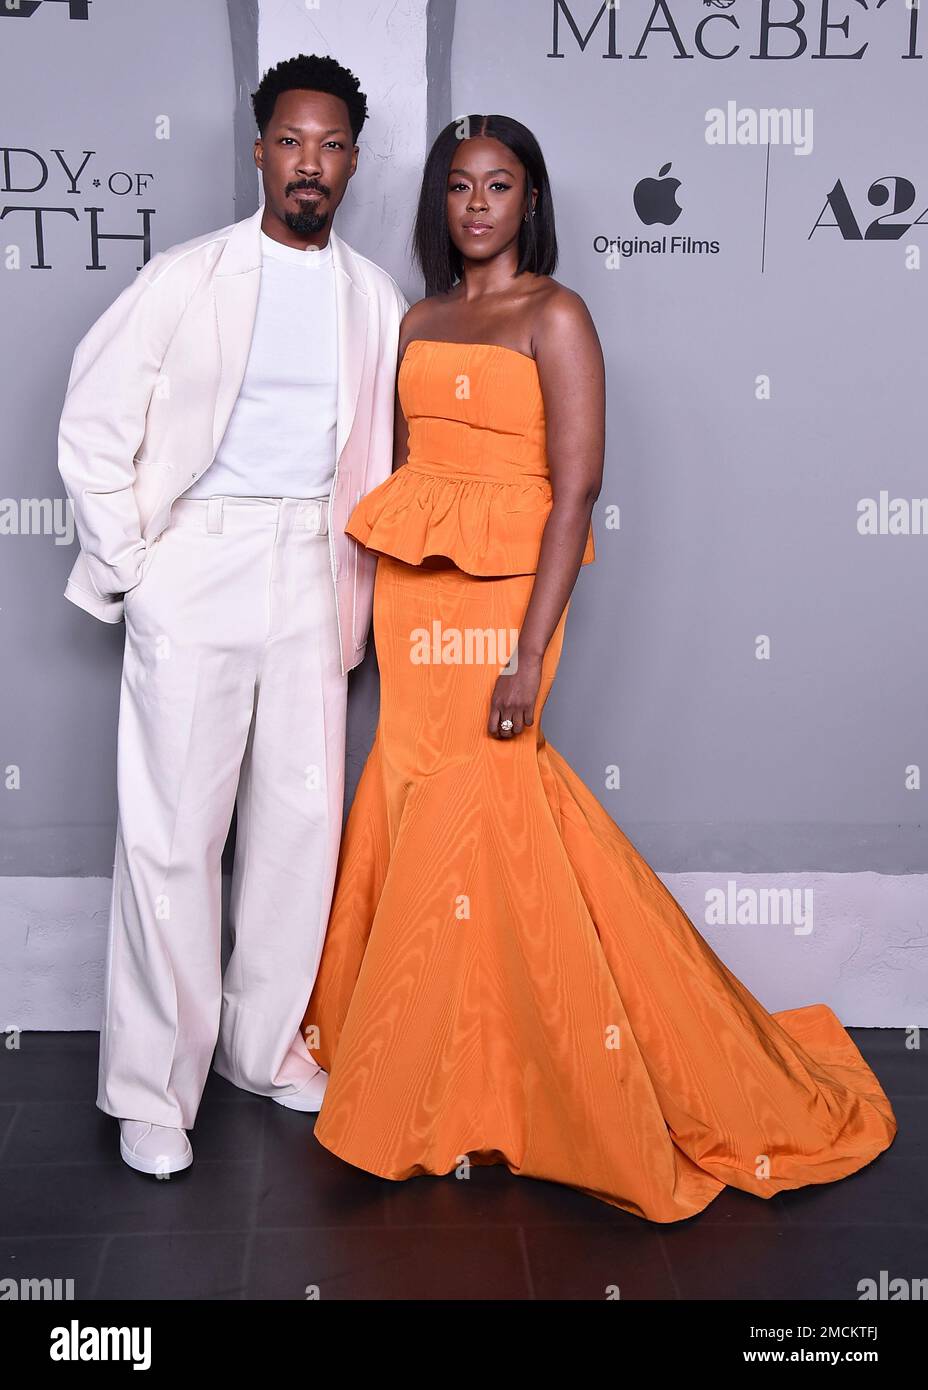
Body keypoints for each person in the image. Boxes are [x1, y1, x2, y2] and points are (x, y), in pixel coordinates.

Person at [298, 114, 898, 1222]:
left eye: (501, 185)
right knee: (426, 803)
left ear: (530, 202)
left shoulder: (556, 315)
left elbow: (575, 491)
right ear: (442, 202)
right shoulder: (422, 317)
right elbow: (412, 464)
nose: (479, 205)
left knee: (484, 803)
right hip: (414, 591)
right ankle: (459, 1078)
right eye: (461, 186)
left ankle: (511, 1080)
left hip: (503, 597)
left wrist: (529, 651)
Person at [57, 54, 408, 1176]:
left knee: (298, 831)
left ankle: (264, 1048)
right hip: (197, 561)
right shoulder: (188, 276)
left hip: (313, 565)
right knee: (173, 836)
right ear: (257, 149)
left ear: (355, 157)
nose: (311, 164)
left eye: (332, 145)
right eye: (291, 141)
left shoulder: (374, 296)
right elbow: (92, 418)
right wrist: (139, 568)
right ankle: (153, 1089)